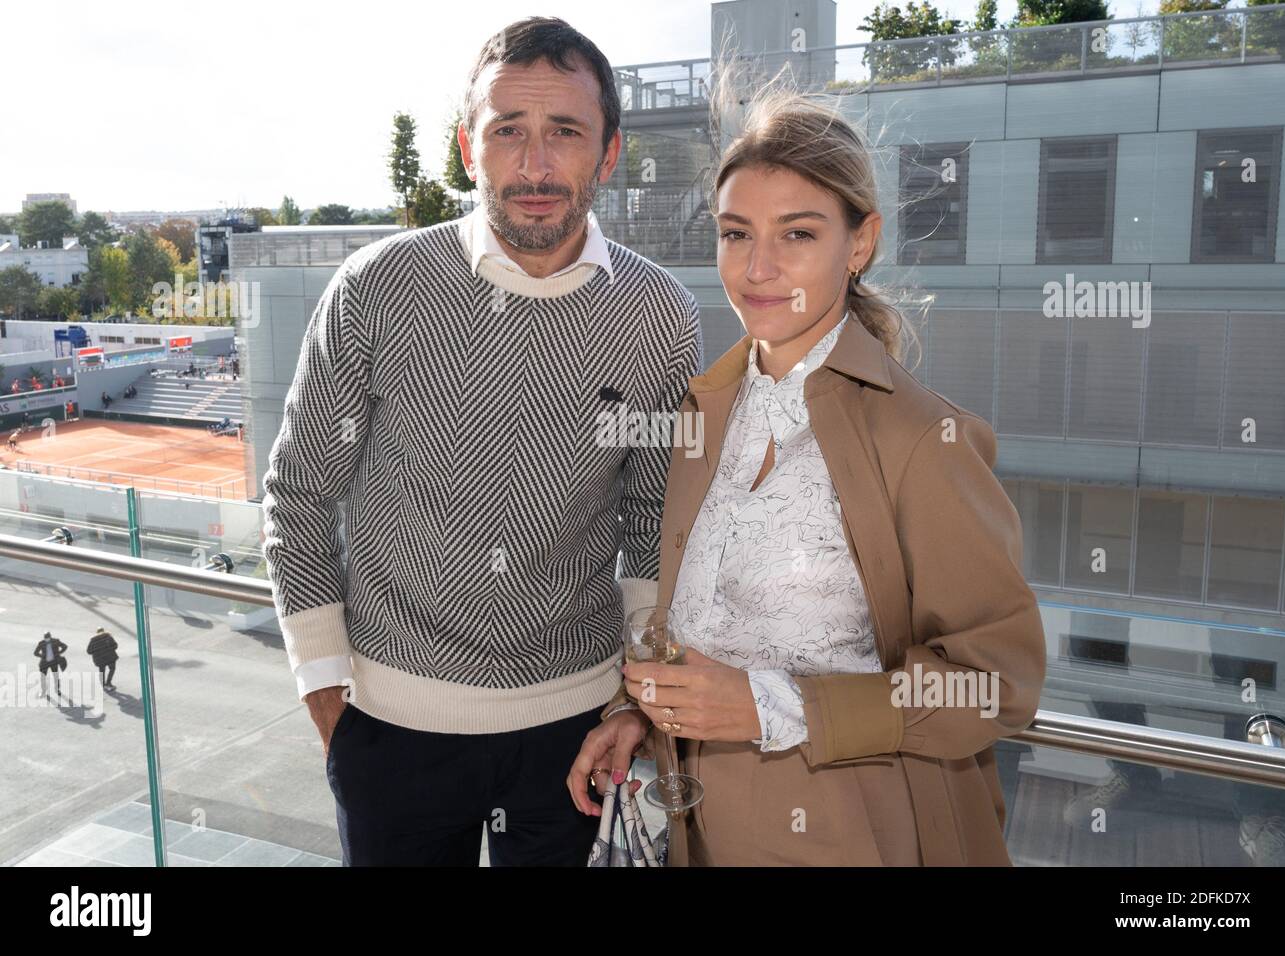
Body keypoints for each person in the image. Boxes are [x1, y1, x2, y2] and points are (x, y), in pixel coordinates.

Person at [568, 67, 1047, 866]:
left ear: (860, 242)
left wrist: (771, 707)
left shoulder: (924, 438)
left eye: (797, 233)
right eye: (733, 232)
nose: (757, 268)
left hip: (854, 829)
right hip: (697, 827)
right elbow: (706, 623)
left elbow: (997, 683)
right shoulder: (702, 412)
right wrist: (639, 714)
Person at [261, 16, 700, 867]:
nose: (535, 166)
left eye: (565, 132)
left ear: (608, 154)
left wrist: (636, 696)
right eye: (508, 133)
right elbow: (300, 491)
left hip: (577, 735)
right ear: (470, 148)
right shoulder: (378, 286)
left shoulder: (658, 314)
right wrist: (325, 689)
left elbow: (655, 518)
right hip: (390, 731)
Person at [34, 632, 69, 699]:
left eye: (48, 638)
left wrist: (59, 653)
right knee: (43, 677)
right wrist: (43, 656)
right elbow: (35, 653)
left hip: (54, 662)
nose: (46, 639)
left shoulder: (55, 641)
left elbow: (65, 646)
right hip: (44, 663)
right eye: (45, 638)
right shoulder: (41, 643)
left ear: (50, 637)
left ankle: (57, 690)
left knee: (55, 676)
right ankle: (43, 692)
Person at [87, 626, 119, 691]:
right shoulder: (108, 637)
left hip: (99, 659)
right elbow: (115, 646)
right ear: (103, 631)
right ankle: (108, 682)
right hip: (110, 657)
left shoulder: (93, 640)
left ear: (97, 632)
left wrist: (96, 652)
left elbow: (89, 651)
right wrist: (109, 649)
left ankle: (103, 685)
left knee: (102, 671)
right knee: (112, 669)